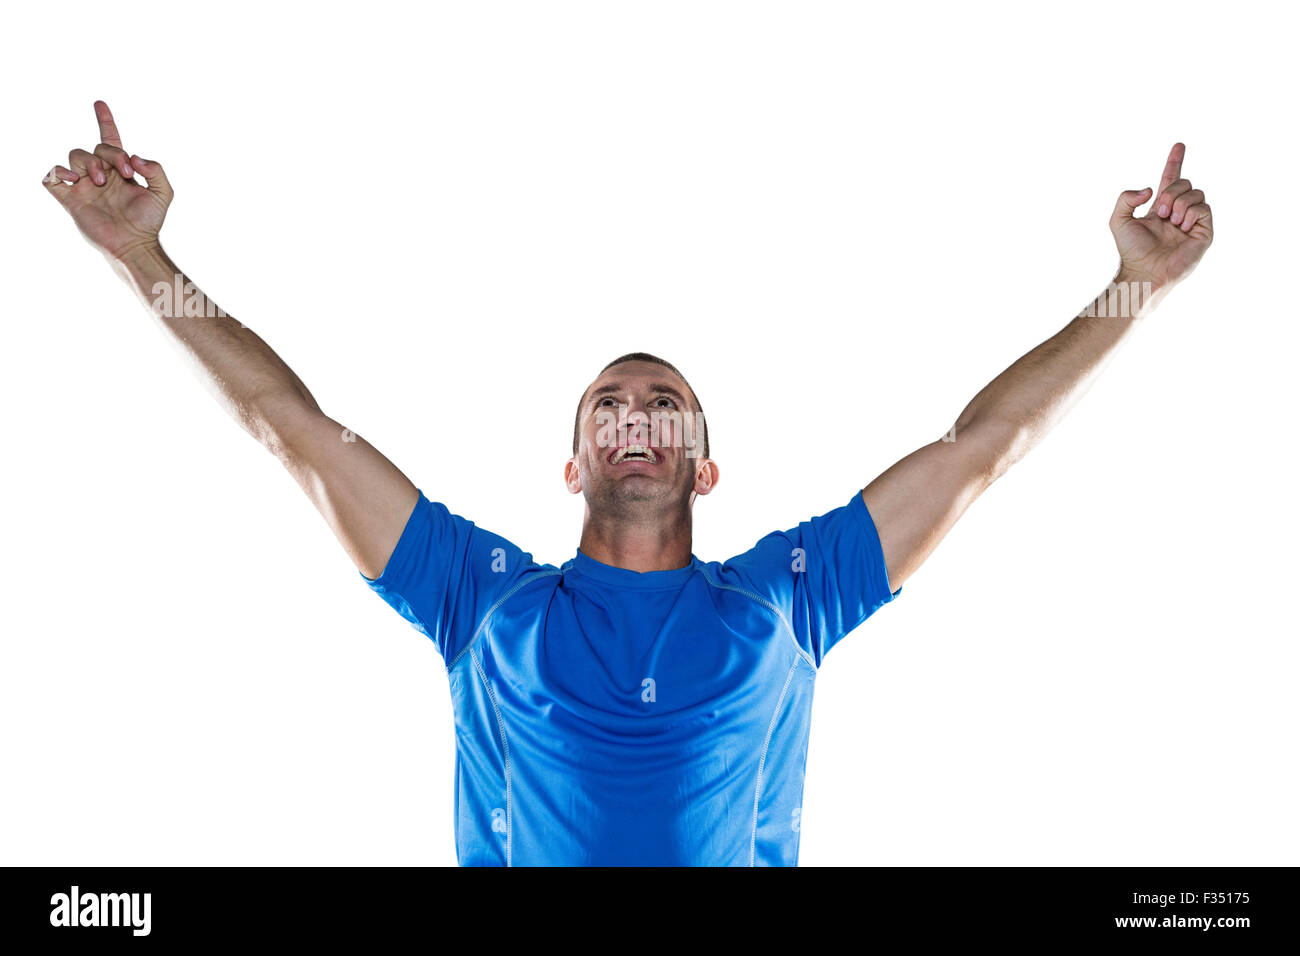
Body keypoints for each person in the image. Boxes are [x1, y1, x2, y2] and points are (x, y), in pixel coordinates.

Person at [43, 101, 1214, 866]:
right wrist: (146, 259)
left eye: (660, 404)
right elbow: (289, 426)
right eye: (608, 404)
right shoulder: (479, 595)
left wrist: (1135, 289)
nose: (633, 415)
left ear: (705, 464)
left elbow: (982, 447)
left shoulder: (789, 598)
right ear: (572, 464)